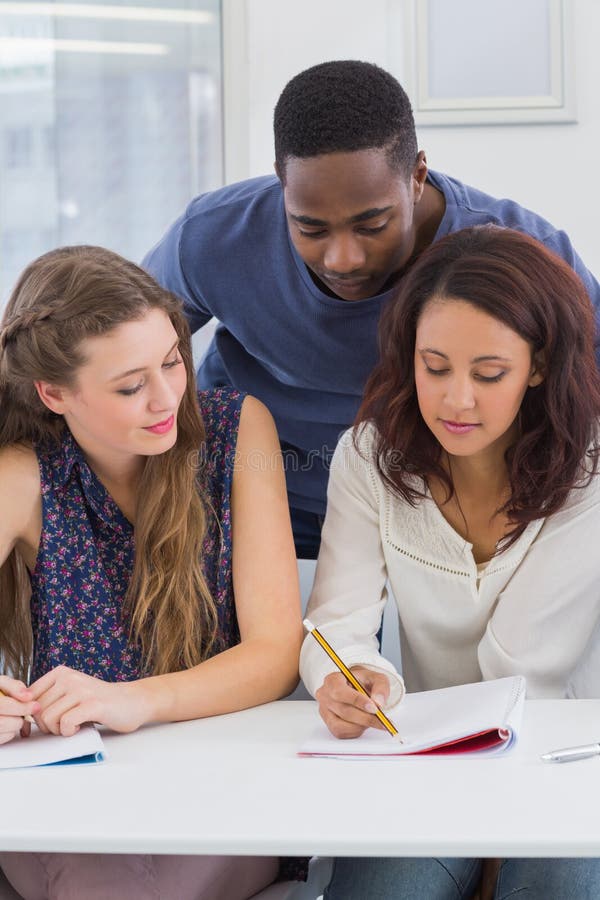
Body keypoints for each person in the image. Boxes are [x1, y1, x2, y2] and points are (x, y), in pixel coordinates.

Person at [142, 59, 600, 560]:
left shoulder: (521, 256)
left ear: (417, 176)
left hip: (430, 503)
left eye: (372, 225)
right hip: (249, 490)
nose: (343, 259)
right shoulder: (213, 237)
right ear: (281, 182)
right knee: (301, 638)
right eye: (311, 229)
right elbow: (116, 349)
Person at [299, 226, 600, 900]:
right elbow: (334, 626)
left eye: (488, 374)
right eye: (434, 366)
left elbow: (525, 664)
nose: (455, 399)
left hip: (568, 763)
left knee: (564, 884)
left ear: (540, 365)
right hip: (432, 763)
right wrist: (354, 682)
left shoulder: (592, 470)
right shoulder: (369, 457)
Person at [0, 246, 304, 900]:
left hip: (220, 786)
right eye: (131, 385)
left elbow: (277, 654)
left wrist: (135, 701)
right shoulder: (21, 474)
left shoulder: (236, 431)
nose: (168, 397)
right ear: (54, 393)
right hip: (74, 797)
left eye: (172, 361)